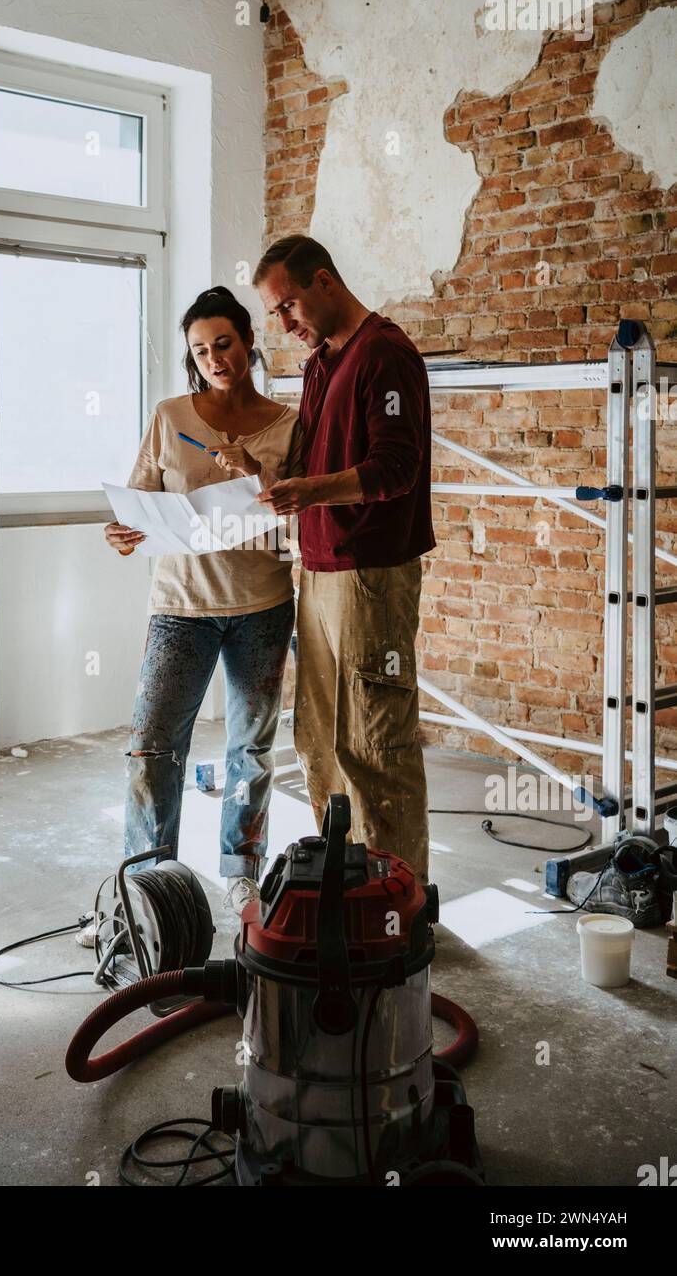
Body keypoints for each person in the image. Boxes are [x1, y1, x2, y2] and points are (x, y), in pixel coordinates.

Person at [80, 285, 301, 939]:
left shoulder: (288, 424)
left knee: (251, 751)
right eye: (200, 350)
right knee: (153, 749)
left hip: (263, 607)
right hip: (180, 607)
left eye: (224, 344)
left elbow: (301, 514)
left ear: (249, 341)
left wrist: (257, 470)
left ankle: (242, 875)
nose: (213, 358)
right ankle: (145, 890)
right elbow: (138, 501)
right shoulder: (170, 415)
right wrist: (121, 531)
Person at [254, 235, 435, 884]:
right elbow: (312, 463)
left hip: (370, 574)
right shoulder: (319, 364)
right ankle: (348, 893)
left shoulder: (384, 352)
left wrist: (310, 491)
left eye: (290, 305)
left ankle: (398, 909)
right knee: (319, 744)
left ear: (325, 282)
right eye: (275, 314)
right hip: (319, 569)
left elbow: (395, 468)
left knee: (374, 745)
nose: (284, 323)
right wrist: (262, 470)